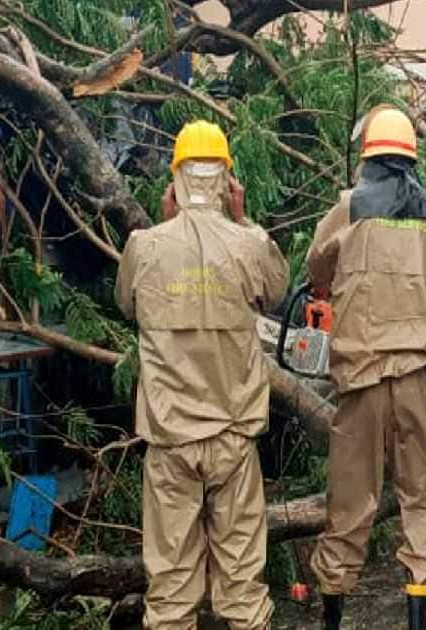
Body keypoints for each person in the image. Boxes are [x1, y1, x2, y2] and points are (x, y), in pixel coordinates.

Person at [116, 120, 289, 629]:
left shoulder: (144, 247)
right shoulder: (249, 245)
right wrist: (244, 219)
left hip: (170, 439)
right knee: (243, 586)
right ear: (229, 183)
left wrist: (166, 224)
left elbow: (126, 303)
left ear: (173, 185)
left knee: (170, 588)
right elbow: (277, 290)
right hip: (233, 436)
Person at [306, 104, 426, 630]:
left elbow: (316, 265)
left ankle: (332, 616)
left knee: (349, 504)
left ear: (367, 157)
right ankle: (419, 619)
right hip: (418, 380)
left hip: (362, 380)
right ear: (410, 158)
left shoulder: (350, 207)